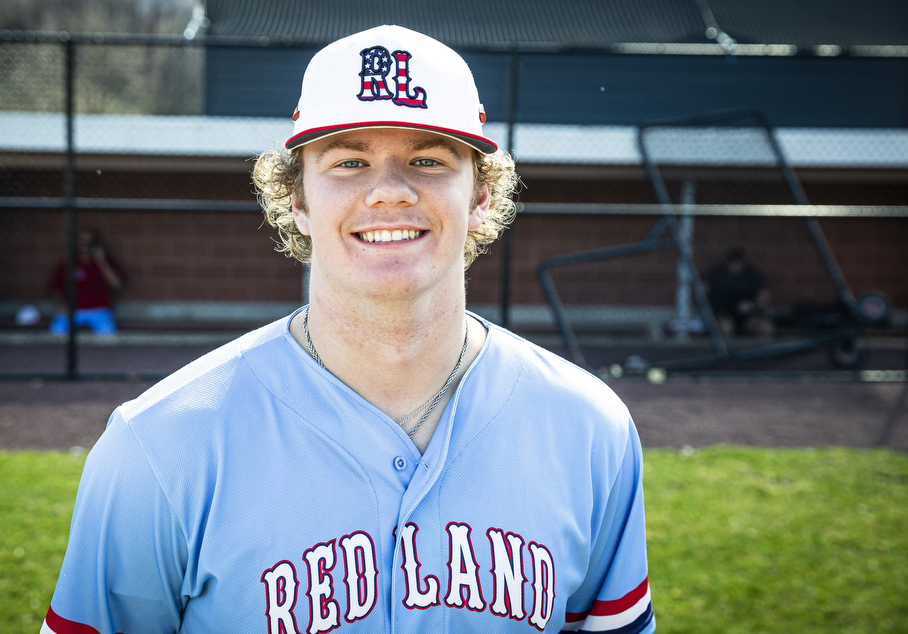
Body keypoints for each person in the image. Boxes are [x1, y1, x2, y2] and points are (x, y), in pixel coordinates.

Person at [41, 25, 654, 634]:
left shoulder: (589, 429)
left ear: (482, 197)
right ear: (298, 201)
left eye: (428, 159)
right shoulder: (161, 446)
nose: (389, 191)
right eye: (349, 161)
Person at [49, 227, 124, 336]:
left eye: (90, 242)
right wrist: (62, 305)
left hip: (99, 310)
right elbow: (56, 288)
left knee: (108, 334)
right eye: (82, 241)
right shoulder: (68, 264)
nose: (85, 245)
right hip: (73, 310)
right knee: (57, 330)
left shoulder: (105, 262)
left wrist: (102, 261)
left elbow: (117, 285)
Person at [704, 247, 774, 337]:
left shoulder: (751, 274)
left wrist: (752, 305)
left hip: (748, 315)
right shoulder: (717, 273)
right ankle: (725, 351)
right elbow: (703, 291)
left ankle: (761, 351)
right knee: (725, 328)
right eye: (732, 262)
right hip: (724, 314)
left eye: (737, 262)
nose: (735, 266)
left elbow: (764, 295)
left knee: (766, 328)